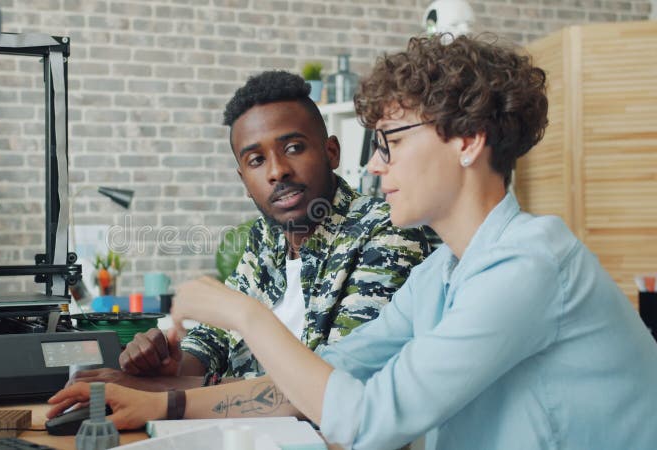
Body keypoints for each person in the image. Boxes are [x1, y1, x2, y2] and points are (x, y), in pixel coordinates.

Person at [49, 35, 657, 449]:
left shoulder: (529, 264)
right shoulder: (445, 272)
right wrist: (162, 408)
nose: (374, 168)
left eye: (390, 142)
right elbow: (325, 380)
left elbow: (367, 421)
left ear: (467, 139)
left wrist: (243, 313)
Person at [69, 70, 429, 391]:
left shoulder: (385, 233)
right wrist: (172, 364)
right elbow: (215, 336)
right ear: (244, 180)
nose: (277, 171)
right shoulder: (265, 238)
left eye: (293, 148)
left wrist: (172, 389)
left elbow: (330, 387)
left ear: (331, 152)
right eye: (256, 160)